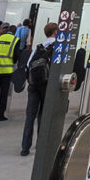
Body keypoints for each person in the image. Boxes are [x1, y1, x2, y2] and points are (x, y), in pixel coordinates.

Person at [21, 22, 57, 156]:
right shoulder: (57, 46)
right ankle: (41, 146)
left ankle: (25, 147)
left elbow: (27, 66)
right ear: (55, 32)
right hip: (46, 85)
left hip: (33, 84)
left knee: (30, 115)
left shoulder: (39, 47)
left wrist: (31, 81)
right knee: (43, 114)